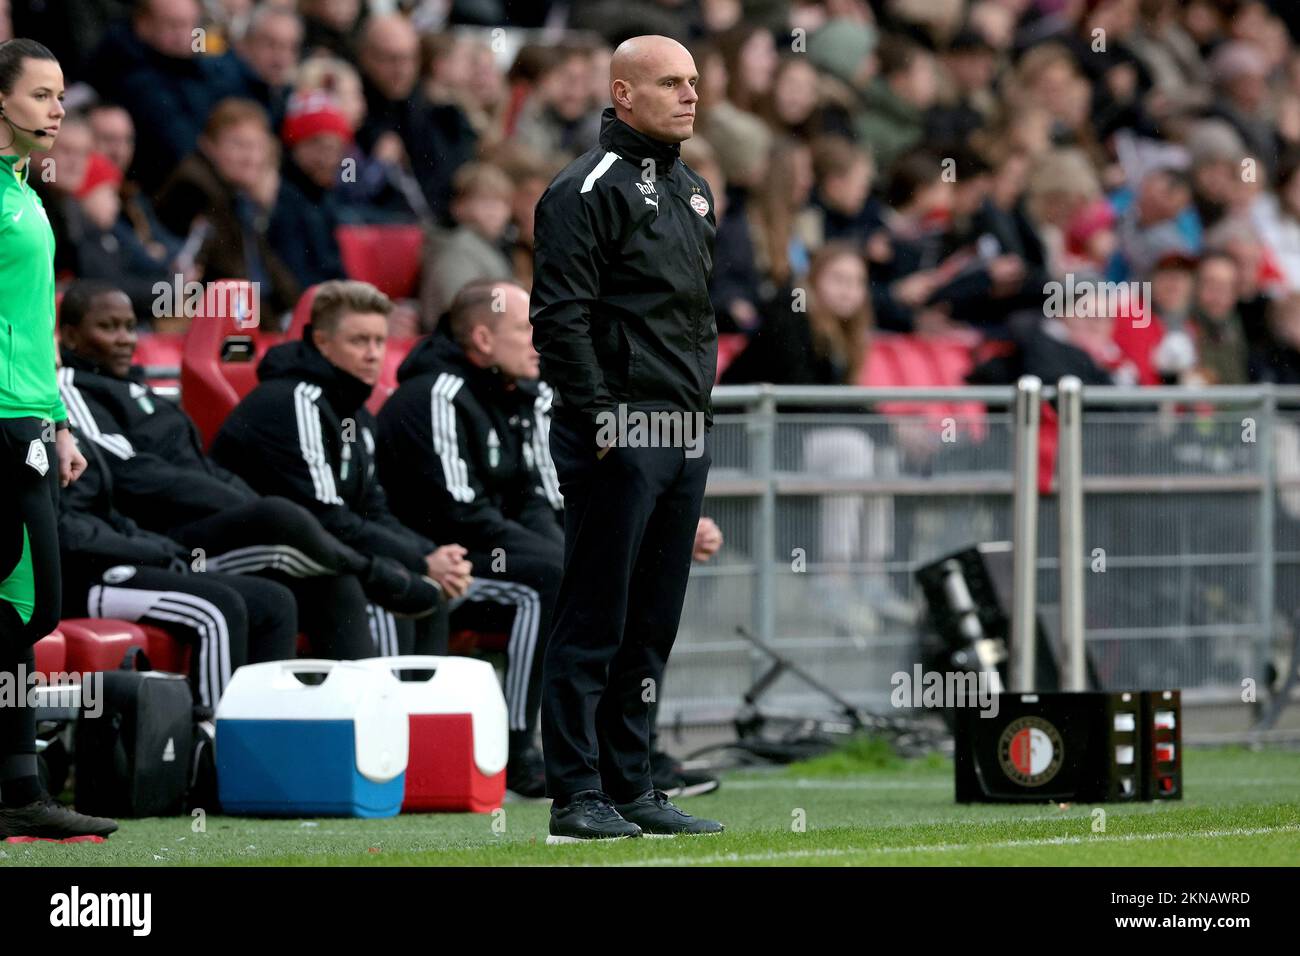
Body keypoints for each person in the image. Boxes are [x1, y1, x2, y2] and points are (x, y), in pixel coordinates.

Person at [529, 35, 724, 842]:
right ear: (622, 93)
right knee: (595, 614)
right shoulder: (584, 189)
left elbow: (692, 315)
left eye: (693, 83)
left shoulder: (696, 191)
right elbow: (559, 317)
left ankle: (632, 782)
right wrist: (603, 413)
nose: (689, 96)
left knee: (652, 620)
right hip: (620, 428)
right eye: (670, 83)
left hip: (681, 428)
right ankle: (576, 793)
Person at [56, 280, 444, 660]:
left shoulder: (142, 392)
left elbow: (369, 509)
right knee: (280, 518)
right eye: (108, 327)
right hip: (161, 536)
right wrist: (238, 505)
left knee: (332, 581)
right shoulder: (71, 388)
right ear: (70, 337)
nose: (125, 338)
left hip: (213, 524)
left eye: (129, 326)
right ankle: (379, 575)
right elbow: (130, 473)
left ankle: (363, 717)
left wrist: (428, 556)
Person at [210, 280, 466, 660]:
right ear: (322, 342)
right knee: (376, 583)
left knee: (425, 585)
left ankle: (417, 711)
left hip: (321, 553)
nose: (373, 354)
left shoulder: (356, 410)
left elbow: (372, 510)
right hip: (246, 556)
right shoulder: (292, 400)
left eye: (380, 341)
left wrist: (433, 558)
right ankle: (377, 712)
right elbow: (326, 518)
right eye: (359, 341)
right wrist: (417, 560)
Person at [377, 279, 561, 798]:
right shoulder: (436, 394)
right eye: (525, 329)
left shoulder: (520, 395)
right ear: (482, 339)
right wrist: (553, 557)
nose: (537, 342)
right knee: (548, 579)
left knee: (601, 570)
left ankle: (618, 747)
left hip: (488, 552)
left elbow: (536, 498)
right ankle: (520, 748)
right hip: (434, 558)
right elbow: (460, 514)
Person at [0, 37, 116, 840]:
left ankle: (19, 791)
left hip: (30, 423)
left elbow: (33, 325)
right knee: (21, 608)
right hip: (0, 425)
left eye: (61, 97)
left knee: (24, 610)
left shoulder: (21, 190)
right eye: (42, 95)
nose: (57, 111)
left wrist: (59, 422)